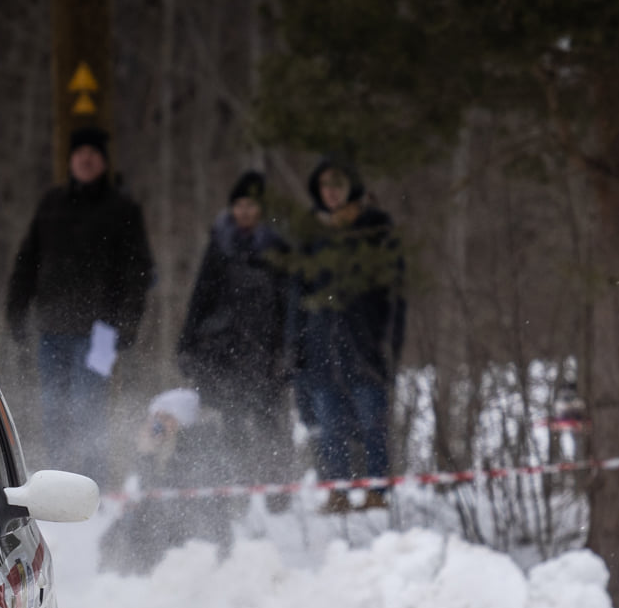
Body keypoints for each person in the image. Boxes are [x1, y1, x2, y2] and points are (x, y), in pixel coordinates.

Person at [3, 127, 154, 482]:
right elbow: (27, 260)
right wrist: (16, 310)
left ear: (103, 160)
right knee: (53, 411)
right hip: (51, 326)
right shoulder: (51, 203)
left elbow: (138, 271)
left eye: (93, 153)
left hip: (99, 331)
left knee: (90, 411)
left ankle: (93, 484)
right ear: (70, 160)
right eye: (79, 153)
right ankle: (58, 482)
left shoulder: (123, 208)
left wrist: (129, 322)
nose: (85, 159)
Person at [288, 157, 404, 513]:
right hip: (320, 343)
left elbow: (395, 294)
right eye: (325, 186)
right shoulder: (310, 232)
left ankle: (377, 492)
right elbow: (296, 293)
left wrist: (389, 343)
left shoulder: (376, 227)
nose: (332, 192)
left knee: (372, 422)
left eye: (338, 184)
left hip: (365, 343)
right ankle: (337, 491)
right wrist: (295, 343)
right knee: (327, 425)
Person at [176, 170, 293, 505]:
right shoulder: (219, 245)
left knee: (271, 422)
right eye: (238, 205)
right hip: (223, 349)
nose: (244, 211)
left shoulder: (278, 248)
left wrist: (288, 350)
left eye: (251, 205)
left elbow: (290, 304)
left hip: (266, 350)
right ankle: (236, 494)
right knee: (232, 422)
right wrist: (186, 344)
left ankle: (278, 497)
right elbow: (200, 298)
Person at [99, 388, 234, 575]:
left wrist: (147, 455)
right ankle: (116, 580)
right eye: (155, 418)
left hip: (197, 533)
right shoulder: (177, 444)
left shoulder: (197, 445)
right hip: (177, 524)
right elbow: (154, 492)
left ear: (182, 418)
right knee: (126, 522)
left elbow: (162, 494)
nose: (158, 425)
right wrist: (148, 452)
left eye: (165, 417)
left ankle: (132, 577)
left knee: (138, 522)